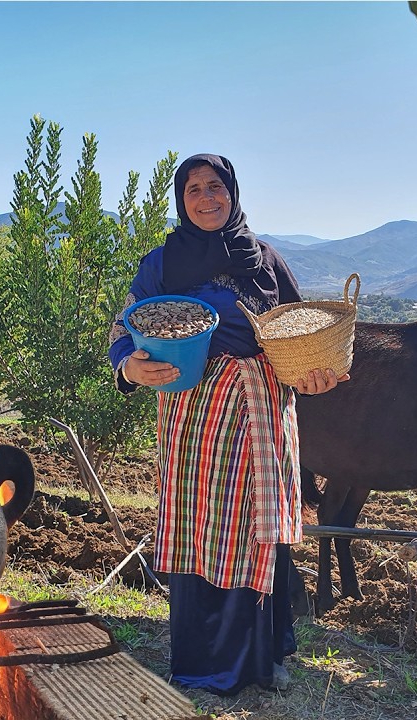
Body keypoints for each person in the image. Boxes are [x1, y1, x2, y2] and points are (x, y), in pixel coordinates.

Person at [107, 154, 346, 695]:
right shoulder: (162, 264)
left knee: (258, 526)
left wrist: (314, 374)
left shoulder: (264, 261)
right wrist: (129, 364)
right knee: (201, 526)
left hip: (261, 406)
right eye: (193, 189)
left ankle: (265, 657)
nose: (206, 197)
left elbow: (300, 330)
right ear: (180, 199)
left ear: (233, 192)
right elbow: (123, 328)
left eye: (215, 186)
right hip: (192, 411)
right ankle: (202, 660)